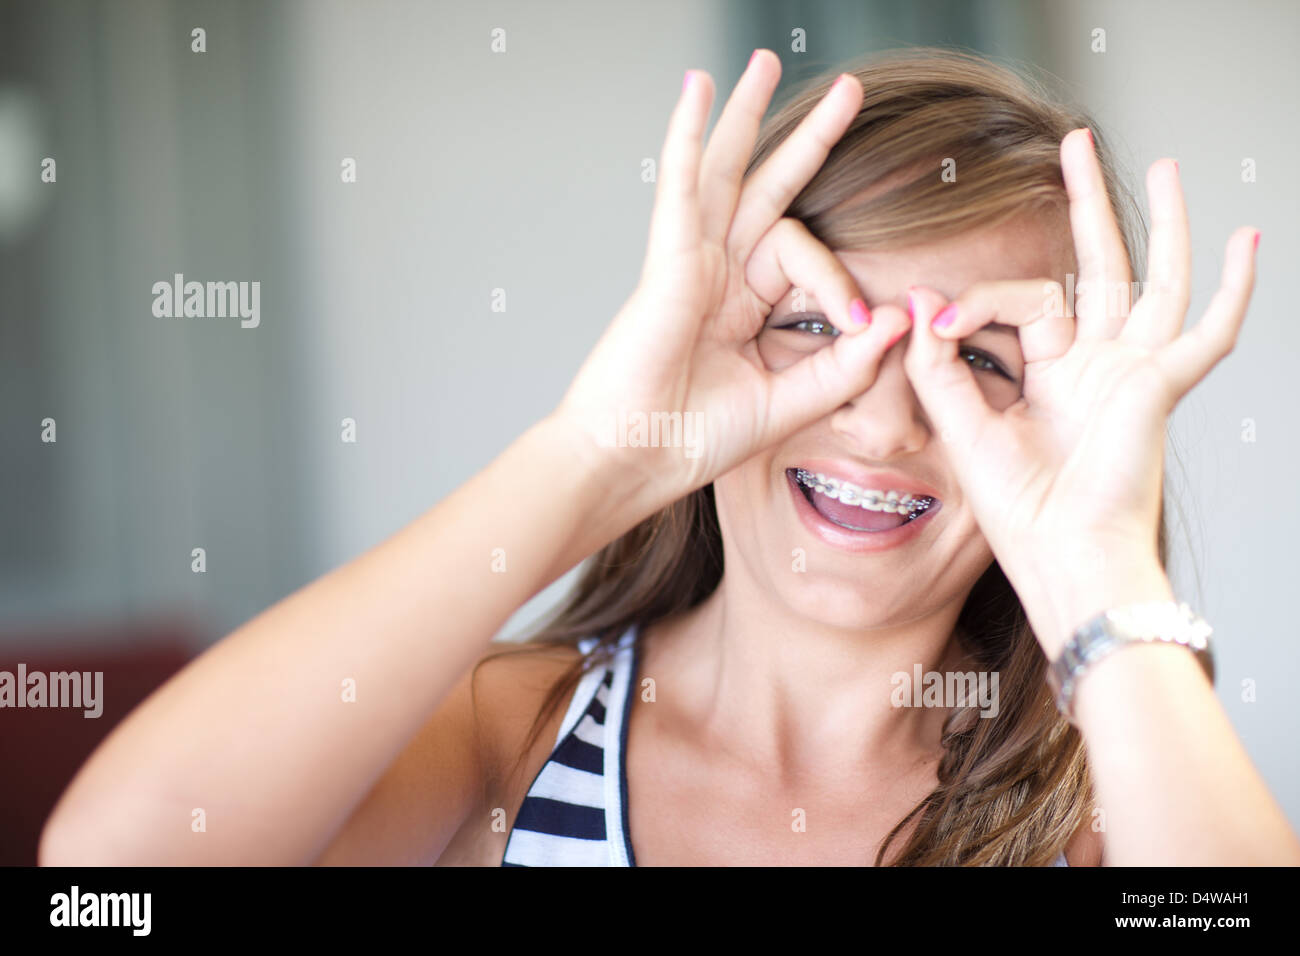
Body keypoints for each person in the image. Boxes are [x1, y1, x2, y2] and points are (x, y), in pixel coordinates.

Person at [39, 46, 1300, 867]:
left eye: (981, 359)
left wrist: (1094, 566)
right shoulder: (509, 736)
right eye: (815, 326)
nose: (883, 420)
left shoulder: (1101, 820)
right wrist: (599, 452)